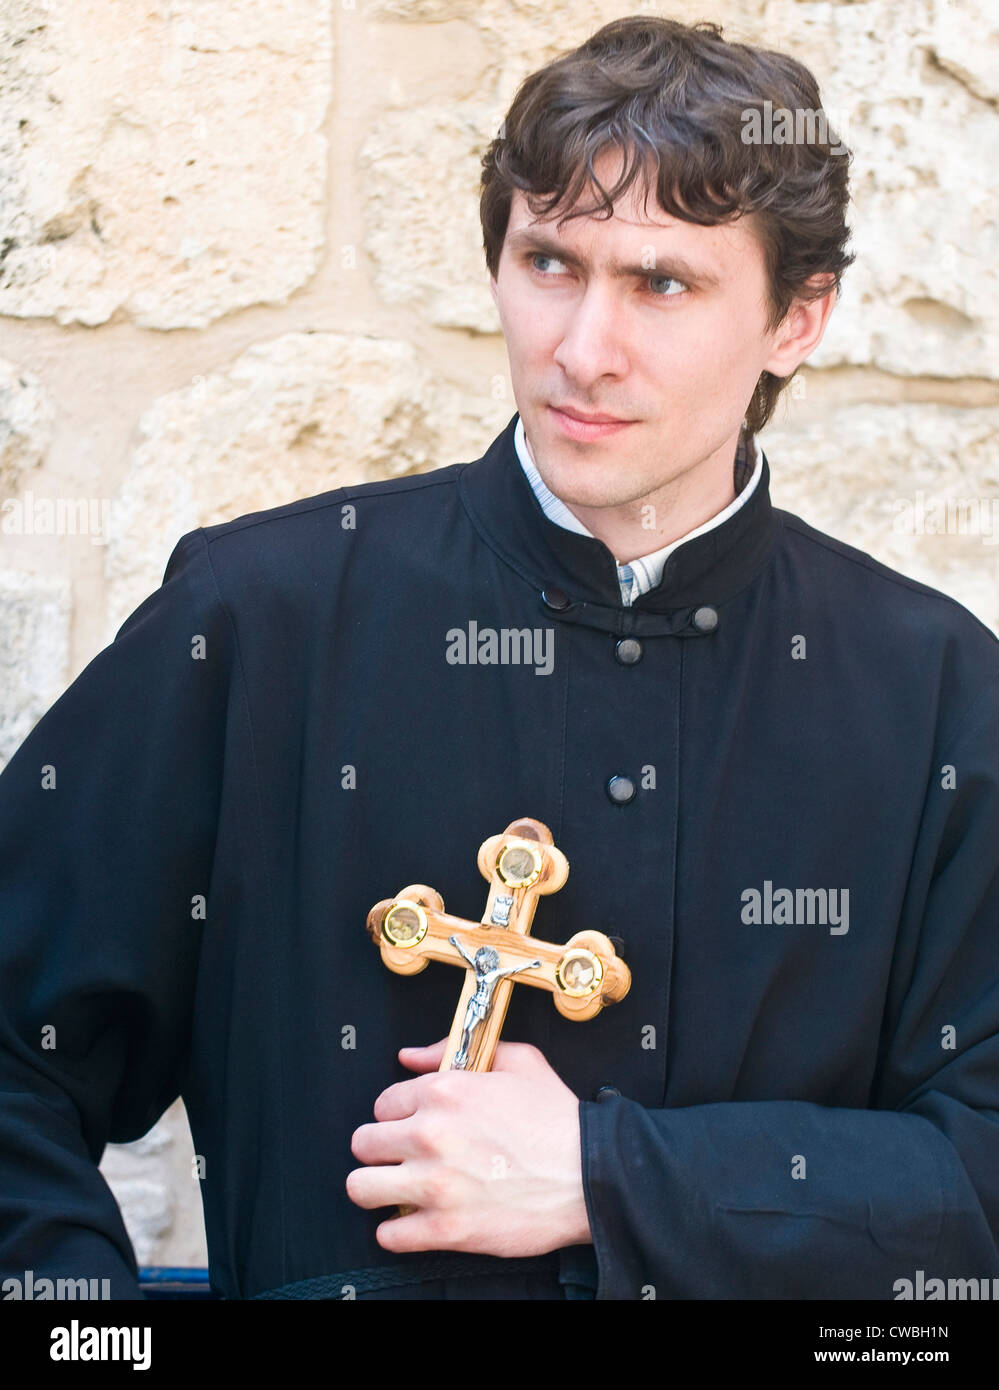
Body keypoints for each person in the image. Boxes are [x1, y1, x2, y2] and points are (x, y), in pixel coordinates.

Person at [2, 15, 998, 1302]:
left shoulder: (936, 697)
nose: (583, 348)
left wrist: (610, 1173)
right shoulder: (260, 621)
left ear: (797, 319)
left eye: (663, 283)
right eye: (550, 262)